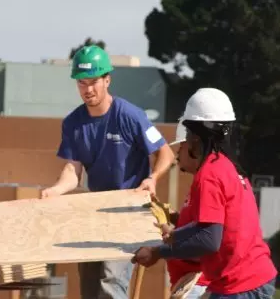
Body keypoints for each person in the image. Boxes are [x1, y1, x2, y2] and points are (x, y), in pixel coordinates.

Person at [41, 45, 175, 299]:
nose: (88, 89)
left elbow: (165, 153)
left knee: (111, 282)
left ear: (107, 80)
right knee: (90, 288)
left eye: (93, 82)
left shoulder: (130, 116)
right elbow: (73, 169)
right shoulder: (73, 123)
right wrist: (56, 190)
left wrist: (152, 178)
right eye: (82, 83)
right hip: (95, 211)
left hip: (128, 212)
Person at [132, 88, 278, 299]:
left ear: (197, 137)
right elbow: (213, 228)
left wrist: (162, 248)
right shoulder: (227, 167)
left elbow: (209, 240)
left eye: (189, 132)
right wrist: (176, 225)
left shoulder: (210, 173)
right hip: (248, 278)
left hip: (240, 284)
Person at [162, 120, 210, 298]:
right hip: (188, 283)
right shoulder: (197, 185)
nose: (177, 154)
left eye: (180, 147)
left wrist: (168, 240)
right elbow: (196, 224)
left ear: (193, 149)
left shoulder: (207, 185)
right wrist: (172, 216)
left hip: (197, 285)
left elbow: (205, 241)